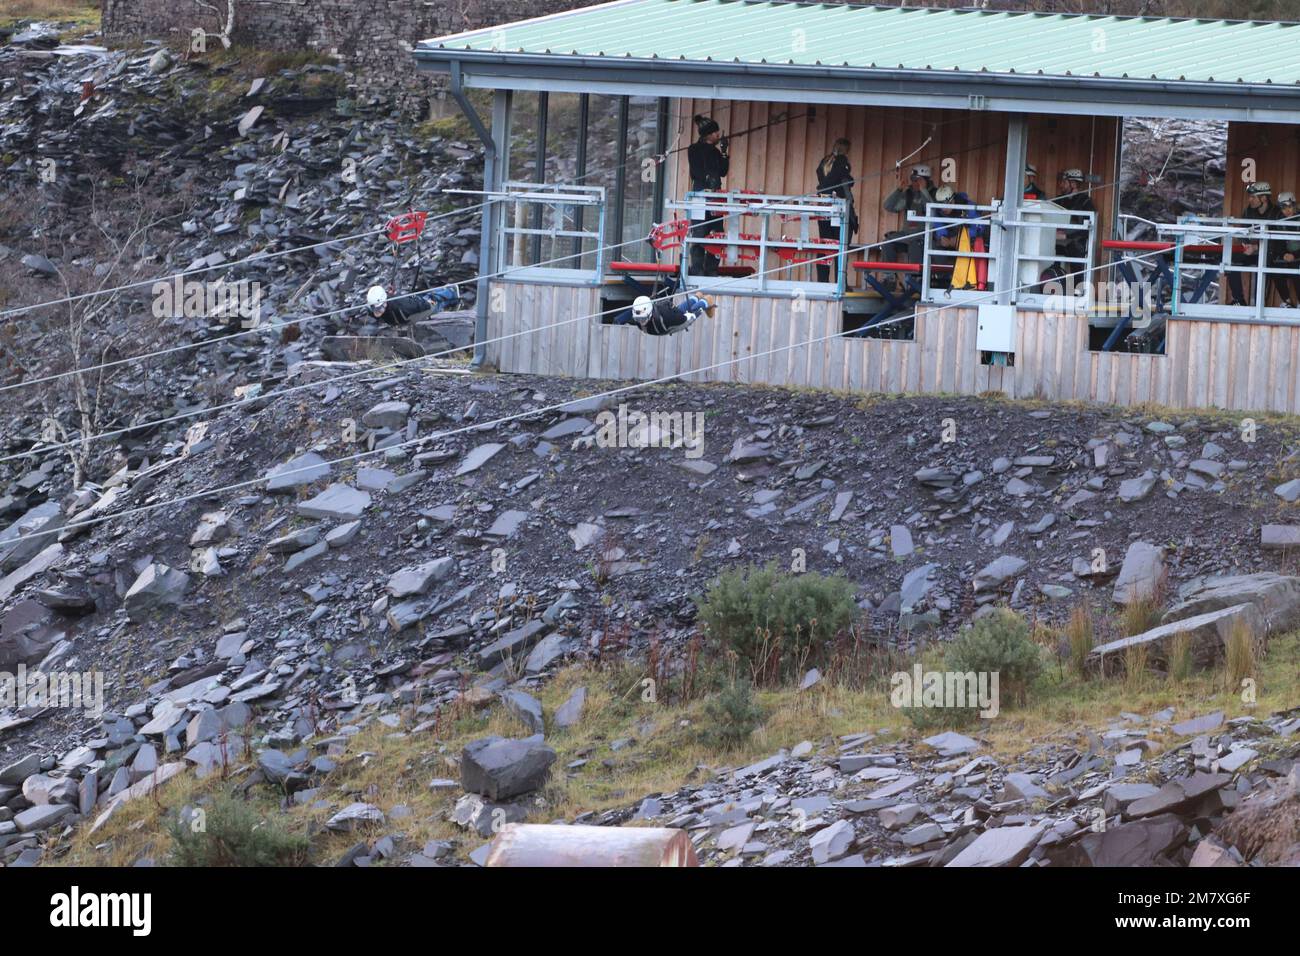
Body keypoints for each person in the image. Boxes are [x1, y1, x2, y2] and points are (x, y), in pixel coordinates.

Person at [687, 114, 729, 277]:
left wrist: (724, 153)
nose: (718, 135)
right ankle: (698, 269)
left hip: (714, 195)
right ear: (708, 135)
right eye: (715, 133)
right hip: (700, 195)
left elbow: (723, 171)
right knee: (699, 231)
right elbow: (697, 170)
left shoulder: (714, 151)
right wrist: (707, 180)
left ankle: (711, 269)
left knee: (716, 231)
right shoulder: (695, 149)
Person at [1227, 181, 1281, 306]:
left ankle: (1259, 304)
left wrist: (1256, 247)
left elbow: (1279, 241)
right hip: (1252, 252)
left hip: (1270, 254)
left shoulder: (1277, 213)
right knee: (1230, 260)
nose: (1249, 200)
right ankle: (1239, 300)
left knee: (1264, 264)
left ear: (1264, 198)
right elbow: (1243, 230)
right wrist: (1246, 244)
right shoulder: (1248, 211)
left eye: (1253, 197)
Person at [814, 138, 857, 283]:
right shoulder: (841, 162)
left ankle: (822, 282)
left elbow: (826, 180)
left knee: (825, 246)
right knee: (841, 247)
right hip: (839, 210)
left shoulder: (824, 162)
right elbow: (840, 180)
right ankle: (841, 283)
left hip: (824, 209)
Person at [882, 164, 936, 268]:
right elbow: (888, 207)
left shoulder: (934, 193)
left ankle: (915, 281)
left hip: (923, 237)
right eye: (913, 179)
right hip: (907, 235)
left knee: (914, 245)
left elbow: (932, 210)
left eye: (918, 180)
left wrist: (923, 190)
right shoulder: (909, 194)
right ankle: (889, 279)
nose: (914, 183)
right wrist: (899, 190)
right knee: (887, 243)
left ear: (926, 180)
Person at [362, 283, 459, 328]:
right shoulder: (374, 307)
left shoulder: (403, 305)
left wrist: (430, 303)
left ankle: (451, 292)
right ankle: (447, 297)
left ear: (385, 301)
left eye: (380, 308)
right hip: (405, 316)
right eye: (376, 309)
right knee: (428, 298)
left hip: (419, 308)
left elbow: (423, 305)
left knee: (435, 304)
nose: (378, 312)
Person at [1054, 168, 1096, 264]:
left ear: (1073, 184)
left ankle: (1072, 279)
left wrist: (1066, 236)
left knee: (1074, 273)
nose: (1061, 185)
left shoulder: (1085, 202)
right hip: (1058, 244)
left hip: (1076, 245)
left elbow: (1089, 228)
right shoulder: (1060, 200)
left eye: (1064, 182)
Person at [630, 293, 713, 336]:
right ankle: (697, 297)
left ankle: (706, 301)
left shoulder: (668, 317)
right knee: (681, 310)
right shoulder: (638, 318)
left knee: (690, 313)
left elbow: (685, 319)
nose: (641, 322)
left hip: (676, 320)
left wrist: (693, 316)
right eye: (638, 319)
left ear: (650, 313)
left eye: (643, 318)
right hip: (669, 322)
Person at [1269, 191, 1299, 307]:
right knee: (1275, 269)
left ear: (1294, 205)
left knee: (1297, 270)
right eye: (1283, 207)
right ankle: (1287, 302)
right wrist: (1284, 254)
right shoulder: (1278, 220)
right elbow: (1276, 243)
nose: (1287, 210)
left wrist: (1295, 256)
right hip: (1286, 256)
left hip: (1298, 256)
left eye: (1290, 206)